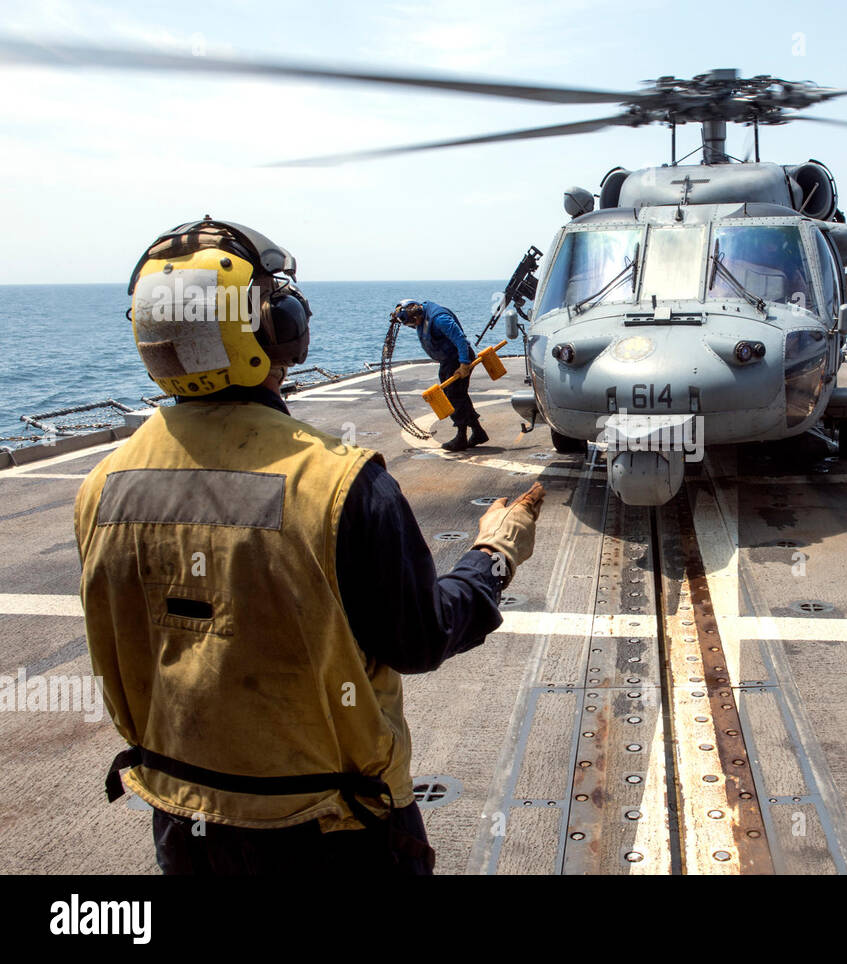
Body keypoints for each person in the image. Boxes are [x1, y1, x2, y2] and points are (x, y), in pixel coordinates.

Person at [74, 217, 544, 874]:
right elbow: (419, 638)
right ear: (273, 329)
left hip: (184, 823)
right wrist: (493, 557)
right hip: (334, 831)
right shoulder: (344, 485)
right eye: (285, 303)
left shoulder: (100, 488)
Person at [394, 298, 487, 451]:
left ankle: (462, 436)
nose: (414, 325)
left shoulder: (439, 319)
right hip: (448, 361)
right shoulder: (420, 316)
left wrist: (464, 363)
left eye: (413, 321)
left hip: (458, 359)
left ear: (417, 312)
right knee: (456, 395)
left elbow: (460, 339)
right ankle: (478, 432)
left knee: (455, 396)